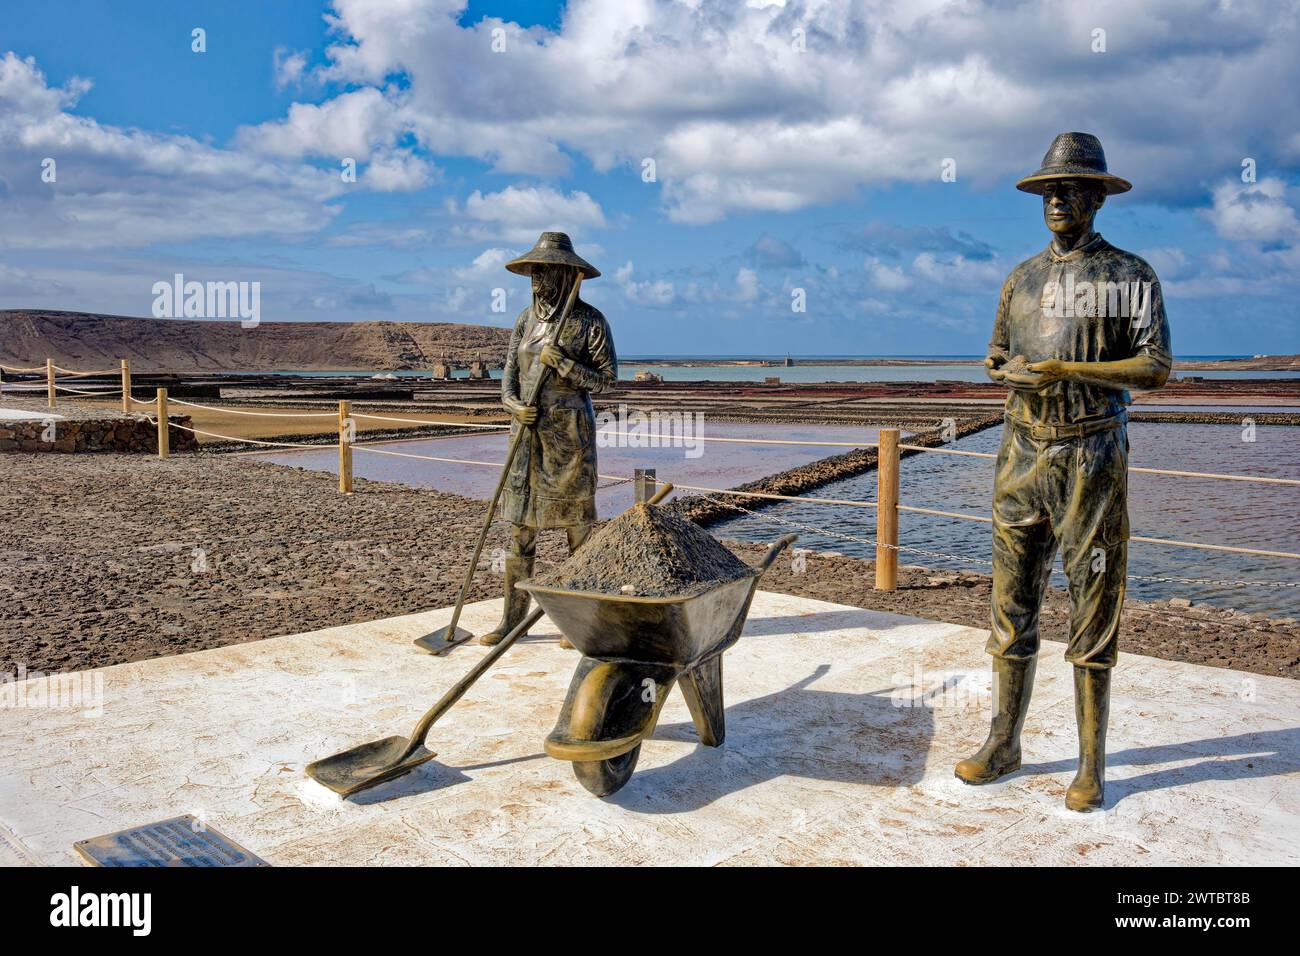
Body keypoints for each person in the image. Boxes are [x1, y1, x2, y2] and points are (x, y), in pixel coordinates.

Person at [954, 133, 1172, 811]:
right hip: (1021, 451)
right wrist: (1004, 370)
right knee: (1010, 605)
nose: (1057, 199)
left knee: (1093, 604)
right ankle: (1004, 740)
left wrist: (1066, 370)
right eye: (1050, 189)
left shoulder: (1129, 276)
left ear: (1098, 198)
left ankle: (1090, 764)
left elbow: (1155, 368)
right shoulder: (1020, 279)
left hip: (1092, 455)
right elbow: (995, 352)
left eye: (1071, 189)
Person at [479, 232, 618, 646]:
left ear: (565, 274)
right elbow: (508, 370)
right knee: (520, 529)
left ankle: (581, 623)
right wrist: (513, 405)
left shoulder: (590, 321)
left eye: (546, 272)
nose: (538, 280)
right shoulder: (525, 318)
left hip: (569, 436)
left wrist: (564, 364)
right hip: (526, 435)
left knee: (578, 531)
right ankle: (512, 622)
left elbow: (608, 381)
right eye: (534, 272)